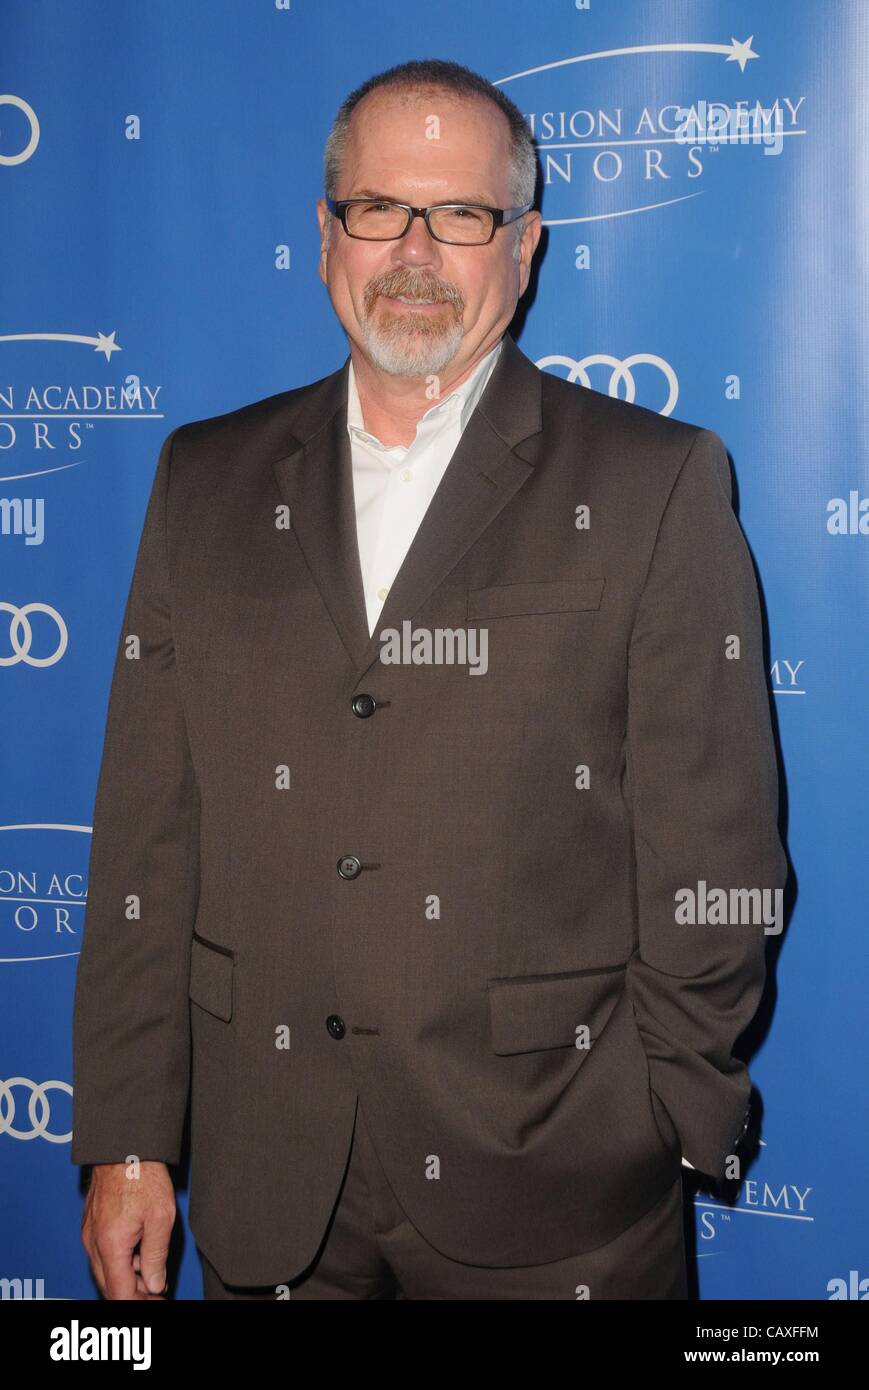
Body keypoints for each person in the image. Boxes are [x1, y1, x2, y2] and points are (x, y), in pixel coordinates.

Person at [72, 58, 787, 1300]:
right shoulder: (203, 481)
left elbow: (716, 855)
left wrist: (659, 1108)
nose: (413, 250)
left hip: (557, 1190)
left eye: (459, 215)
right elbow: (147, 837)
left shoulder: (651, 483)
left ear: (523, 247)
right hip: (269, 1179)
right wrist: (131, 1136)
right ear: (324, 235)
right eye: (378, 209)